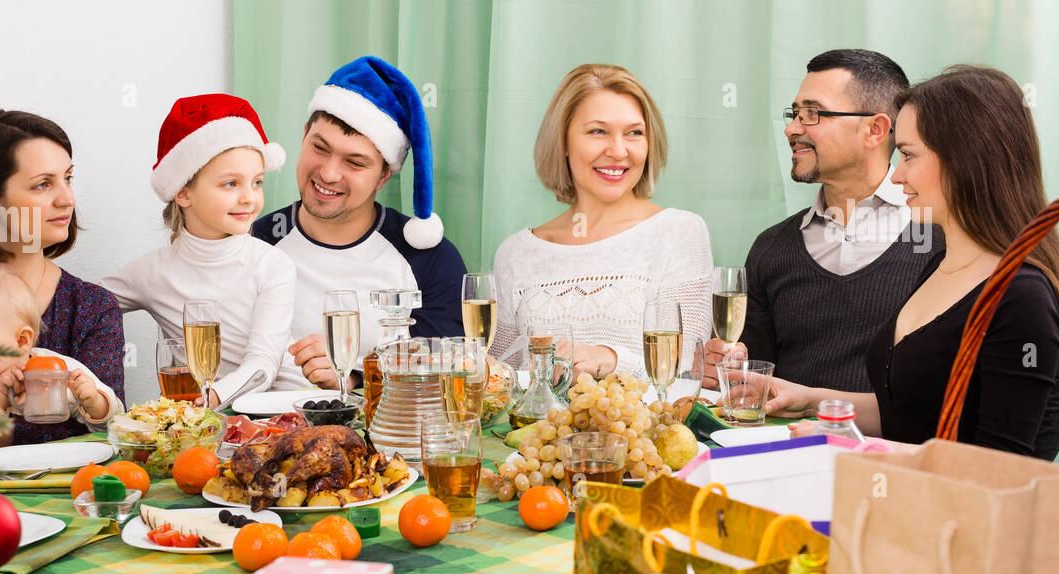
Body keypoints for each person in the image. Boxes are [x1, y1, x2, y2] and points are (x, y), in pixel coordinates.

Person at [766, 65, 1059, 459]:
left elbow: (999, 464)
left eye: (909, 156)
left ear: (965, 160)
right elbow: (908, 416)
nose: (897, 177)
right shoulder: (938, 265)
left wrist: (864, 450)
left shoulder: (1022, 297)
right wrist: (811, 400)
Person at [703, 49, 937, 393]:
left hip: (896, 447)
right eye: (794, 113)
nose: (791, 129)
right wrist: (722, 369)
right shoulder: (772, 247)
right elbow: (746, 380)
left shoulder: (941, 238)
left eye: (812, 113)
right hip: (787, 444)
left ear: (875, 129)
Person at [253, 55, 468, 390]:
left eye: (354, 162)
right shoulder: (257, 242)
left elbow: (450, 376)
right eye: (320, 148)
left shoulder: (429, 258)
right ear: (303, 136)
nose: (328, 173)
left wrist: (354, 375)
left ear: (383, 176)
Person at [491, 63, 712, 380]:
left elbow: (686, 373)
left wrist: (610, 359)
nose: (618, 151)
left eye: (634, 133)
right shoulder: (515, 254)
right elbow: (504, 378)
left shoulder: (679, 233)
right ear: (563, 143)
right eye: (598, 131)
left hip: (641, 429)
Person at [0, 110, 125, 443]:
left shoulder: (92, 307)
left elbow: (112, 431)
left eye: (67, 178)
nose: (66, 198)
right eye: (43, 184)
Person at [104, 94, 296, 404]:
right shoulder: (152, 272)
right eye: (231, 184)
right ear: (182, 193)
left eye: (257, 182)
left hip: (284, 407)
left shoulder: (273, 265)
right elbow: (82, 304)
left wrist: (208, 398)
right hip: (212, 422)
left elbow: (264, 365)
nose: (249, 197)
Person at [0, 271, 122, 454]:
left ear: (21, 341)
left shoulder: (54, 370)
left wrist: (95, 403)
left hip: (52, 472)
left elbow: (116, 425)